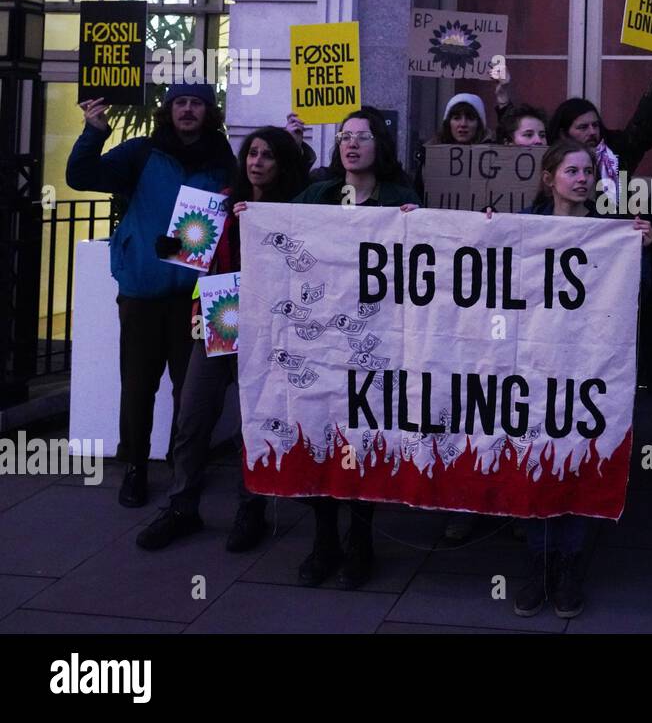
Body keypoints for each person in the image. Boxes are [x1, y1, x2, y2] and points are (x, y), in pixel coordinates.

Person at [136, 123, 310, 552]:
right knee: (192, 418)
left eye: (268, 155)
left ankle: (250, 508)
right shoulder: (221, 205)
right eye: (252, 154)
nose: (257, 162)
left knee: (254, 424)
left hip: (271, 329)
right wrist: (170, 246)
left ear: (282, 163)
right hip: (220, 318)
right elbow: (188, 253)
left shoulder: (297, 210)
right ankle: (182, 507)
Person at [500, 139, 652, 619]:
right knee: (534, 456)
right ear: (550, 178)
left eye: (588, 170)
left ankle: (568, 565)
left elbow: (638, 292)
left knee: (577, 456)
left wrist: (642, 252)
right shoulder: (522, 226)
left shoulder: (613, 230)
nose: (582, 177)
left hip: (589, 367)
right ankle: (538, 562)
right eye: (571, 170)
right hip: (531, 364)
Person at [66, 83, 237, 508]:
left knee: (191, 392)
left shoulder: (223, 160)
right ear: (168, 110)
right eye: (180, 102)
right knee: (138, 386)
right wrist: (94, 132)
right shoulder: (140, 152)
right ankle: (135, 468)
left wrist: (296, 149)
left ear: (209, 112)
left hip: (198, 297)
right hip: (143, 291)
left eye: (196, 103)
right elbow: (81, 177)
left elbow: (260, 193)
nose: (187, 110)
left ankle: (184, 472)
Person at [291, 107, 420, 589]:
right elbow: (278, 228)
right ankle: (324, 540)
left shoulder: (401, 198)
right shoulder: (318, 194)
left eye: (362, 137)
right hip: (320, 338)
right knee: (322, 431)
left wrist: (415, 224)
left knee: (362, 434)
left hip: (374, 340)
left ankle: (360, 541)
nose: (351, 144)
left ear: (378, 147)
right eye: (344, 136)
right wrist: (250, 211)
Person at [551, 43, 652, 191]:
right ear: (563, 134)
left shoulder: (613, 154)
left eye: (595, 125)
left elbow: (643, 130)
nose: (592, 131)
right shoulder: (548, 161)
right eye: (583, 127)